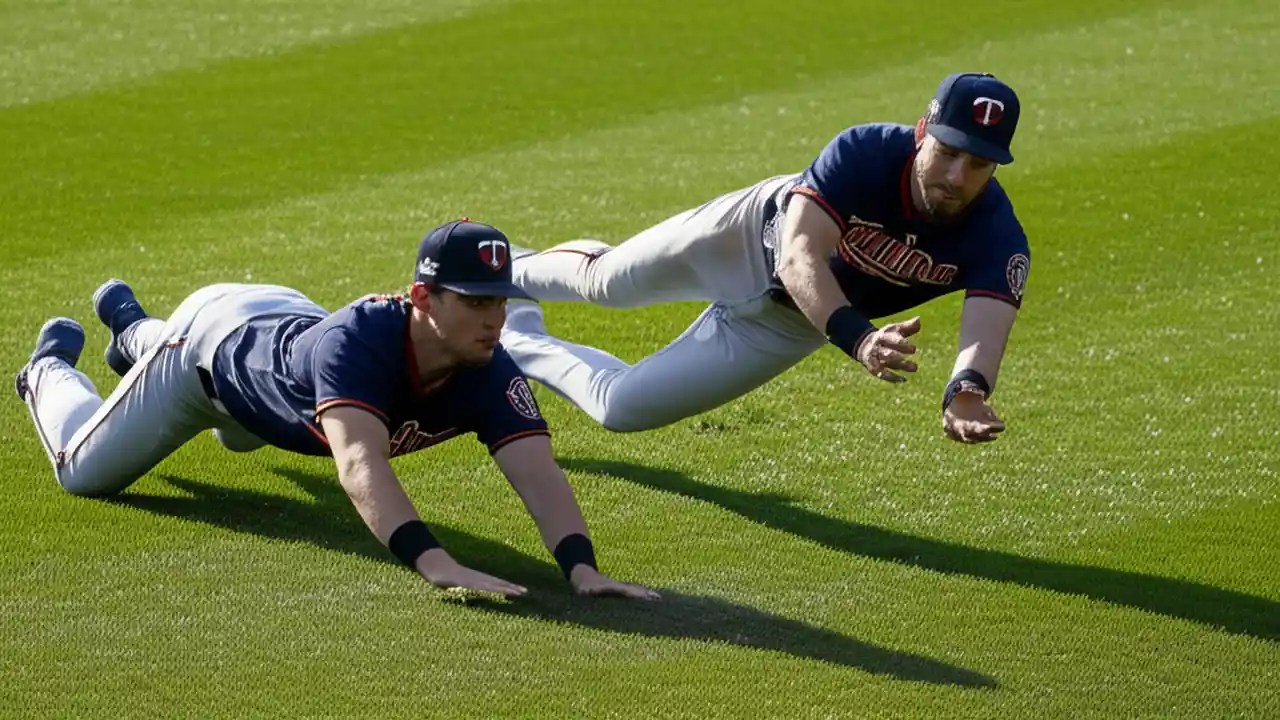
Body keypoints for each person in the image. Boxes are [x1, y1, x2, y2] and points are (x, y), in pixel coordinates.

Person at [15, 219, 659, 600]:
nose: (494, 319)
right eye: (474, 302)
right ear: (423, 298)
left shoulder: (483, 362)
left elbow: (537, 472)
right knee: (83, 473)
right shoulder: (358, 345)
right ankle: (45, 369)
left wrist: (581, 568)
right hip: (203, 360)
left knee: (240, 439)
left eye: (499, 302)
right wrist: (437, 562)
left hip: (277, 342)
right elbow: (358, 465)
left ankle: (131, 328)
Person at [501, 73, 1028, 444]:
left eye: (978, 163)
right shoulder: (864, 153)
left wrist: (966, 390)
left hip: (793, 324)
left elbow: (986, 331)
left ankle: (520, 340)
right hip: (746, 237)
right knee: (605, 281)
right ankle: (496, 272)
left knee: (621, 409)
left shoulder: (997, 237)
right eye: (948, 152)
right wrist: (860, 338)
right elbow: (798, 258)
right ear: (922, 133)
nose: (957, 176)